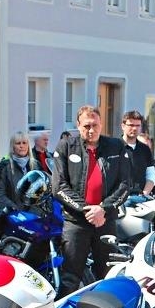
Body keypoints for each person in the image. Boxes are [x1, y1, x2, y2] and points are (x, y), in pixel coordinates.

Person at [52, 105, 131, 295]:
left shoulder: (116, 146)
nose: (91, 130)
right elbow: (58, 187)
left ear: (101, 124)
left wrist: (103, 208)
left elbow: (125, 184)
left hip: (105, 220)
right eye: (86, 126)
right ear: (78, 126)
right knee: (70, 277)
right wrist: (87, 210)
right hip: (76, 222)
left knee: (107, 275)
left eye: (95, 125)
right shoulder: (66, 146)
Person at [0, 131, 39, 212]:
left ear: (28, 146)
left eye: (24, 143)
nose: (21, 146)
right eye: (18, 143)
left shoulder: (36, 165)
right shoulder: (4, 167)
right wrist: (13, 208)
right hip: (12, 214)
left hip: (34, 214)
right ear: (12, 146)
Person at [119, 110, 155, 206]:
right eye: (131, 125)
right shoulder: (114, 147)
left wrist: (144, 193)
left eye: (138, 125)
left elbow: (151, 176)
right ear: (123, 126)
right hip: (119, 201)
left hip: (140, 200)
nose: (134, 128)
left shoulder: (145, 149)